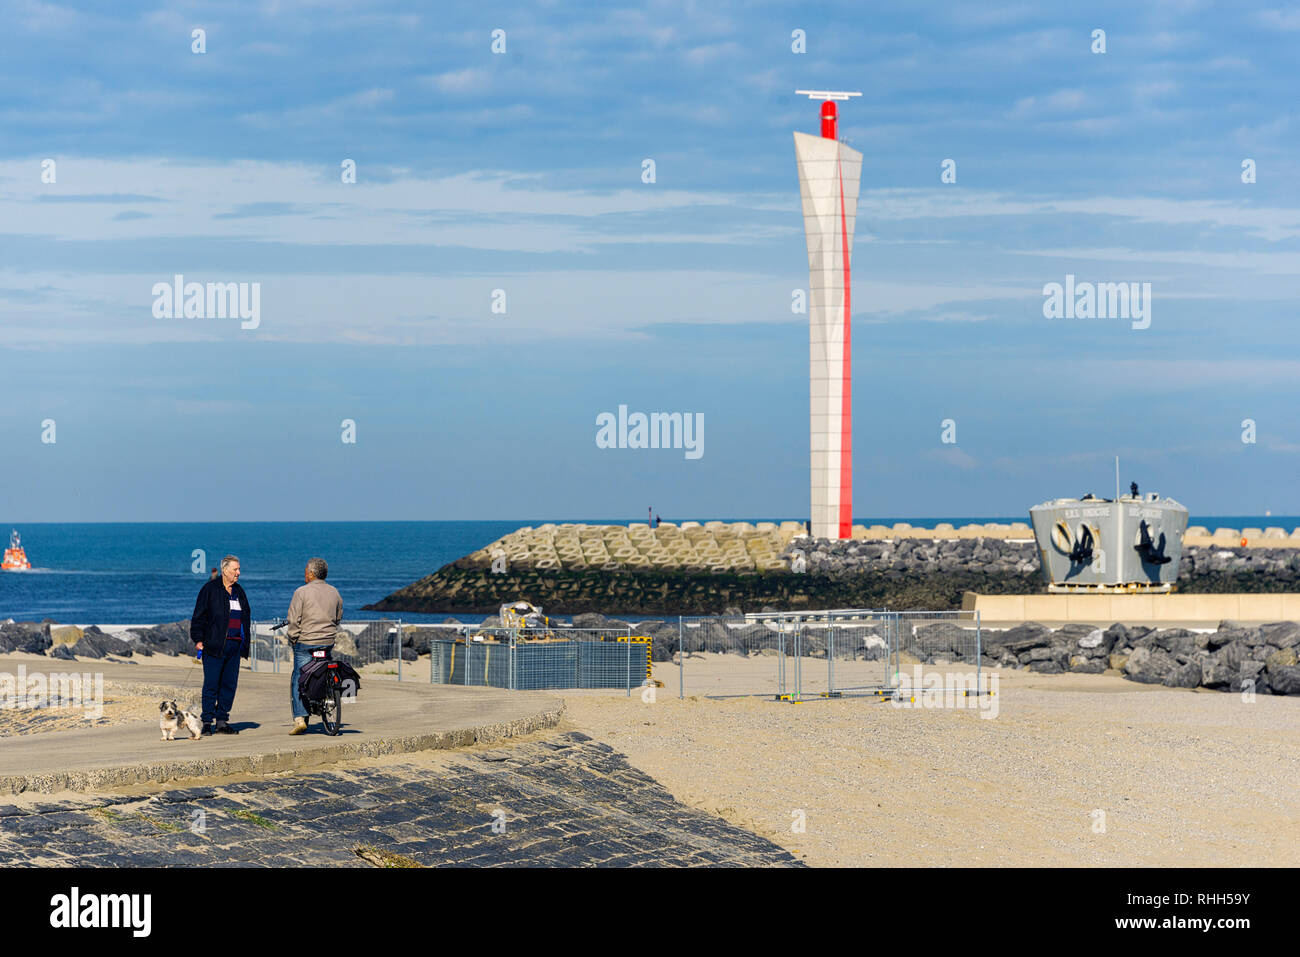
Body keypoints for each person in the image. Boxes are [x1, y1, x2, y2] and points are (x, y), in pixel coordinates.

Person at [191, 554, 251, 734]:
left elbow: (245, 617)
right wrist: (198, 639)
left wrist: (244, 642)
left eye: (239, 569)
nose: (238, 573)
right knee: (211, 684)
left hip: (235, 645)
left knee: (229, 684)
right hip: (214, 646)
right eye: (235, 569)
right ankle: (207, 722)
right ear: (225, 570)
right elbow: (199, 616)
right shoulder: (210, 589)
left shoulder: (239, 591)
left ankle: (222, 721)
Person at [286, 557, 343, 735]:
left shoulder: (301, 592)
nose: (304, 573)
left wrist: (293, 637)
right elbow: (338, 615)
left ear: (311, 573)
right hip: (327, 641)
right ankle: (328, 698)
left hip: (306, 642)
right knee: (323, 670)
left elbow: (294, 619)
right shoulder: (334, 592)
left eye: (305, 570)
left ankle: (300, 718)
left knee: (298, 676)